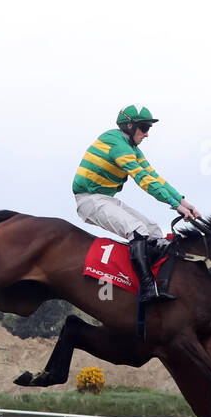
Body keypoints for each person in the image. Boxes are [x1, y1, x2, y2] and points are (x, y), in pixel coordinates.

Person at [73, 105, 203, 302]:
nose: (147, 134)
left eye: (149, 128)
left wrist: (182, 200)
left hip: (105, 199)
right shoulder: (117, 144)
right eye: (144, 128)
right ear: (129, 126)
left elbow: (152, 175)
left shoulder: (132, 147)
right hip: (88, 199)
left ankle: (159, 283)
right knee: (138, 229)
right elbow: (142, 179)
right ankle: (147, 289)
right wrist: (175, 205)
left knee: (152, 229)